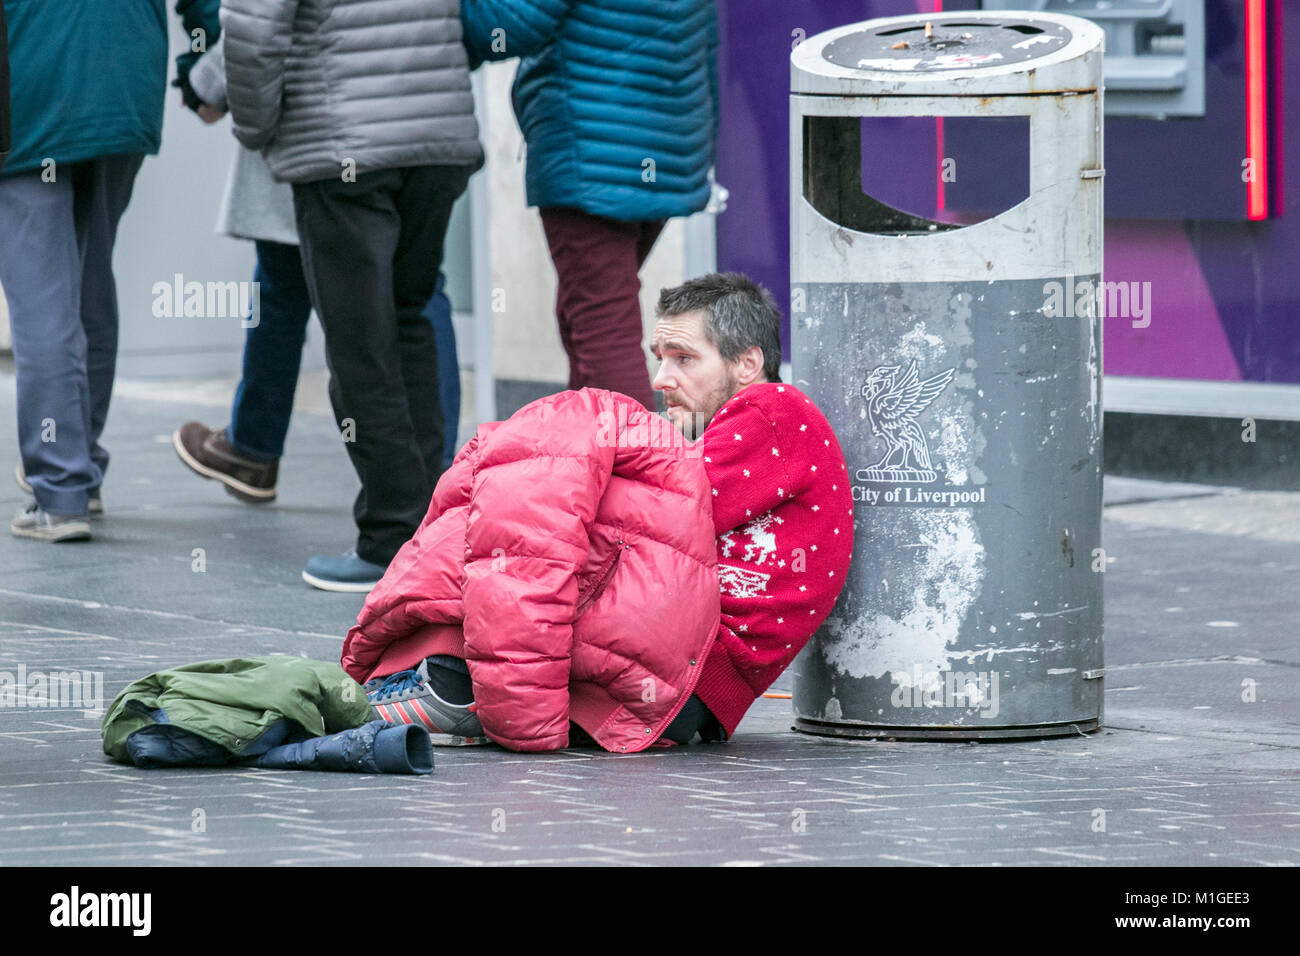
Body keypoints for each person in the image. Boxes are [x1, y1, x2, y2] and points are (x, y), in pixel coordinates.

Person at [343, 273, 855, 752]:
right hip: (680, 681)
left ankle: (449, 684)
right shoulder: (751, 423)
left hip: (683, 672)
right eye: (659, 357)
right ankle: (454, 686)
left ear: (747, 363)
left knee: (537, 518)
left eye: (684, 359)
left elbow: (663, 514)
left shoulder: (772, 410)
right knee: (534, 510)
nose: (661, 378)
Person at [220, 0, 484, 591]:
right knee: (409, 318)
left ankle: (391, 541)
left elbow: (254, 26)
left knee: (360, 346)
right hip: (436, 137)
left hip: (344, 142)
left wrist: (258, 128)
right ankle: (432, 536)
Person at [166, 17, 466, 504]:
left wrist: (240, 113)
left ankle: (392, 511)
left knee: (320, 305)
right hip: (430, 126)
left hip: (333, 129)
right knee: (415, 295)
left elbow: (257, 23)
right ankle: (440, 481)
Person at [460, 0, 719, 410]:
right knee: (583, 316)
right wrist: (701, 143)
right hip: (669, 141)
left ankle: (643, 468)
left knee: (603, 330)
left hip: (590, 143)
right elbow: (707, 37)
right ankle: (592, 460)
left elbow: (512, 23)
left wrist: (438, 30)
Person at [0, 0, 169, 541]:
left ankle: (62, 486)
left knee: (42, 298)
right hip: (124, 81)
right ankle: (80, 465)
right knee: (88, 282)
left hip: (29, 90)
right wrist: (202, 62)